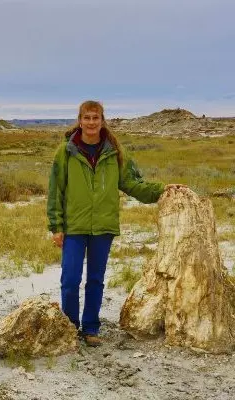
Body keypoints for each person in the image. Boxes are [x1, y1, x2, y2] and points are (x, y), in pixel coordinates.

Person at [47, 100, 184, 347]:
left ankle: (90, 329)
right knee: (70, 280)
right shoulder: (65, 151)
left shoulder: (115, 151)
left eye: (95, 118)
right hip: (74, 227)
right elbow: (56, 191)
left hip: (104, 226)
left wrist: (160, 190)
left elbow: (132, 183)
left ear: (102, 120)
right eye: (86, 118)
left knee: (96, 279)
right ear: (79, 120)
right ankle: (69, 327)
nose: (91, 122)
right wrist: (56, 226)